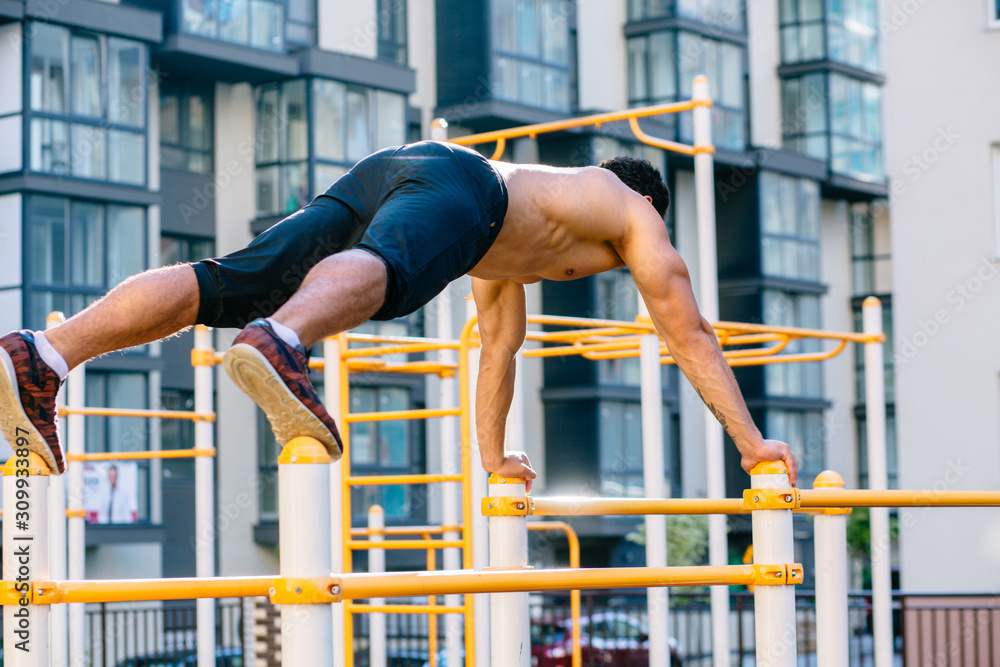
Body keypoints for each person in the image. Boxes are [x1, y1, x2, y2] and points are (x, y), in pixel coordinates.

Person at [0, 141, 799, 488]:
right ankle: (281, 340)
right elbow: (687, 331)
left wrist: (493, 458)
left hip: (396, 167)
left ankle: (44, 355)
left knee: (231, 280)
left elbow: (499, 350)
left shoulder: (525, 232)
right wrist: (752, 442)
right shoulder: (635, 211)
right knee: (390, 275)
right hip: (460, 187)